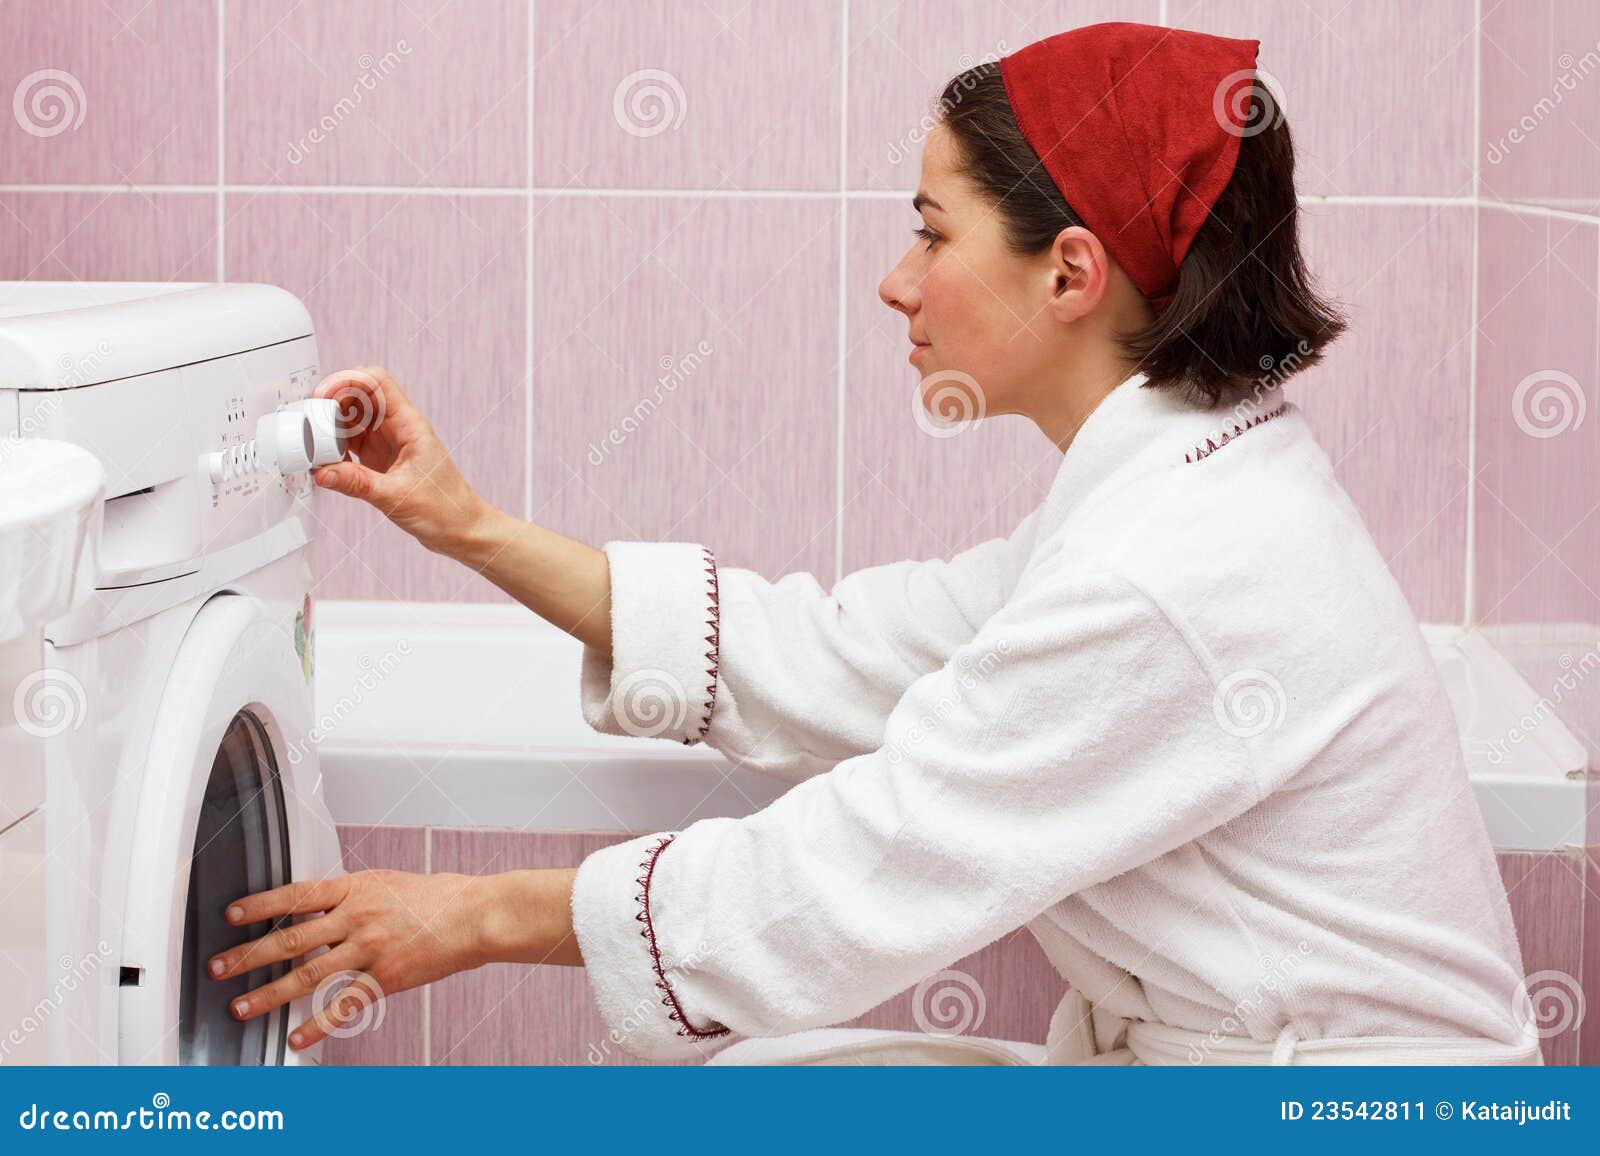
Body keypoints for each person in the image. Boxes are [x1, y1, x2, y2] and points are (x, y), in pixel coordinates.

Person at [207, 22, 1539, 1065]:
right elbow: (837, 653)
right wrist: (469, 527)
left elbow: (862, 870)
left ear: (1071, 274)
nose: (897, 280)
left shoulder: (1173, 566)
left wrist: (463, 918)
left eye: (931, 230)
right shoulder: (1179, 488)